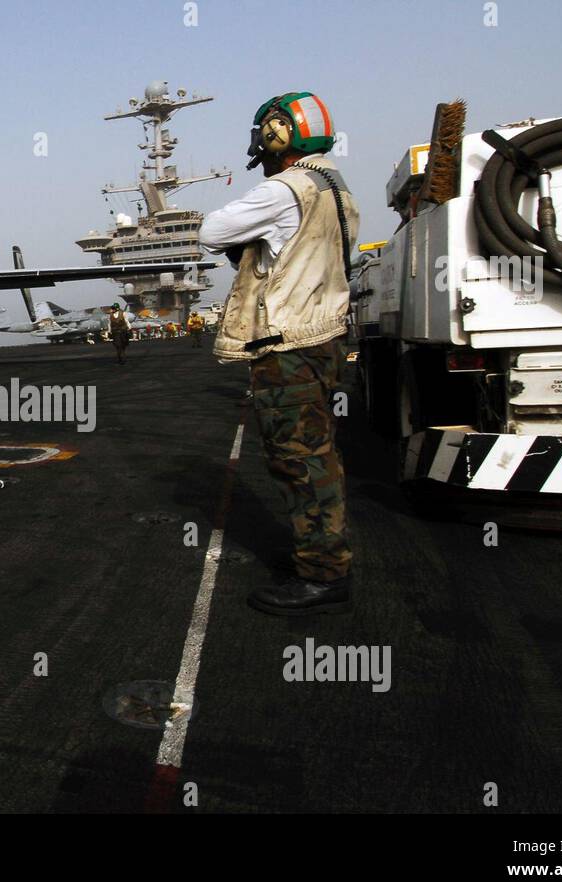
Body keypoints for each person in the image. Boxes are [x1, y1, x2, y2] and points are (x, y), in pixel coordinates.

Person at [200, 91, 359, 616]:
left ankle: (322, 575)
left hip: (288, 345)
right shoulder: (337, 188)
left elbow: (210, 231)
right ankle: (326, 561)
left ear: (277, 135)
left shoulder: (285, 188)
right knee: (319, 456)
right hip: (325, 337)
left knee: (299, 460)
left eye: (264, 139)